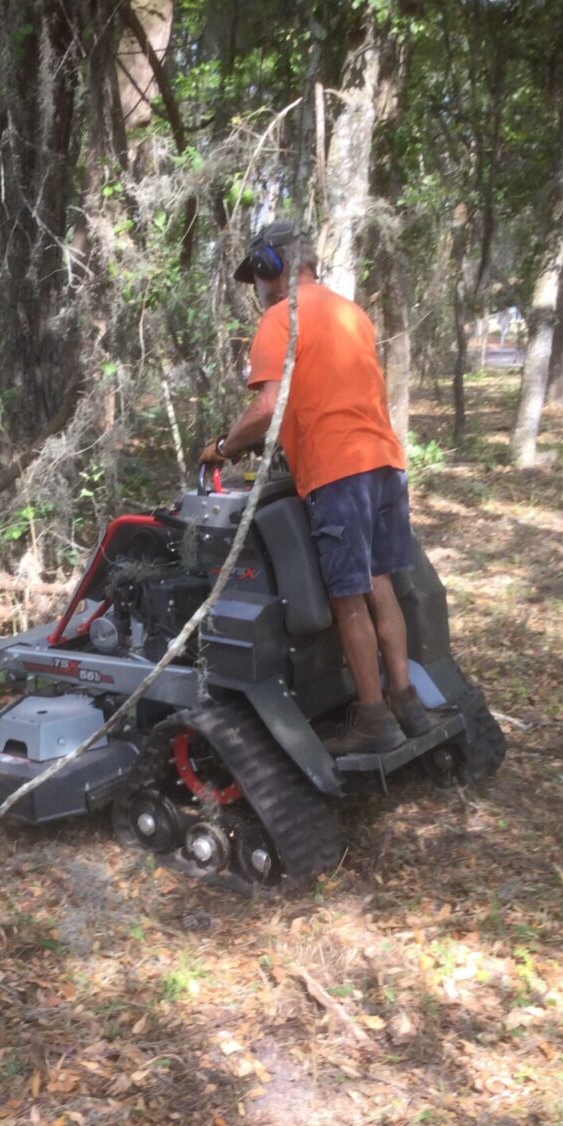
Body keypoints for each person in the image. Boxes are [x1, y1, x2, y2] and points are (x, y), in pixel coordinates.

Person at [198, 220, 431, 754]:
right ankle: (406, 703)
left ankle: (372, 720)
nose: (257, 288)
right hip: (384, 464)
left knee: (347, 598)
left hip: (339, 472)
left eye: (256, 275)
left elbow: (264, 407)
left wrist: (225, 447)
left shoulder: (282, 319)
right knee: (381, 584)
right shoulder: (352, 313)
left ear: (270, 266)